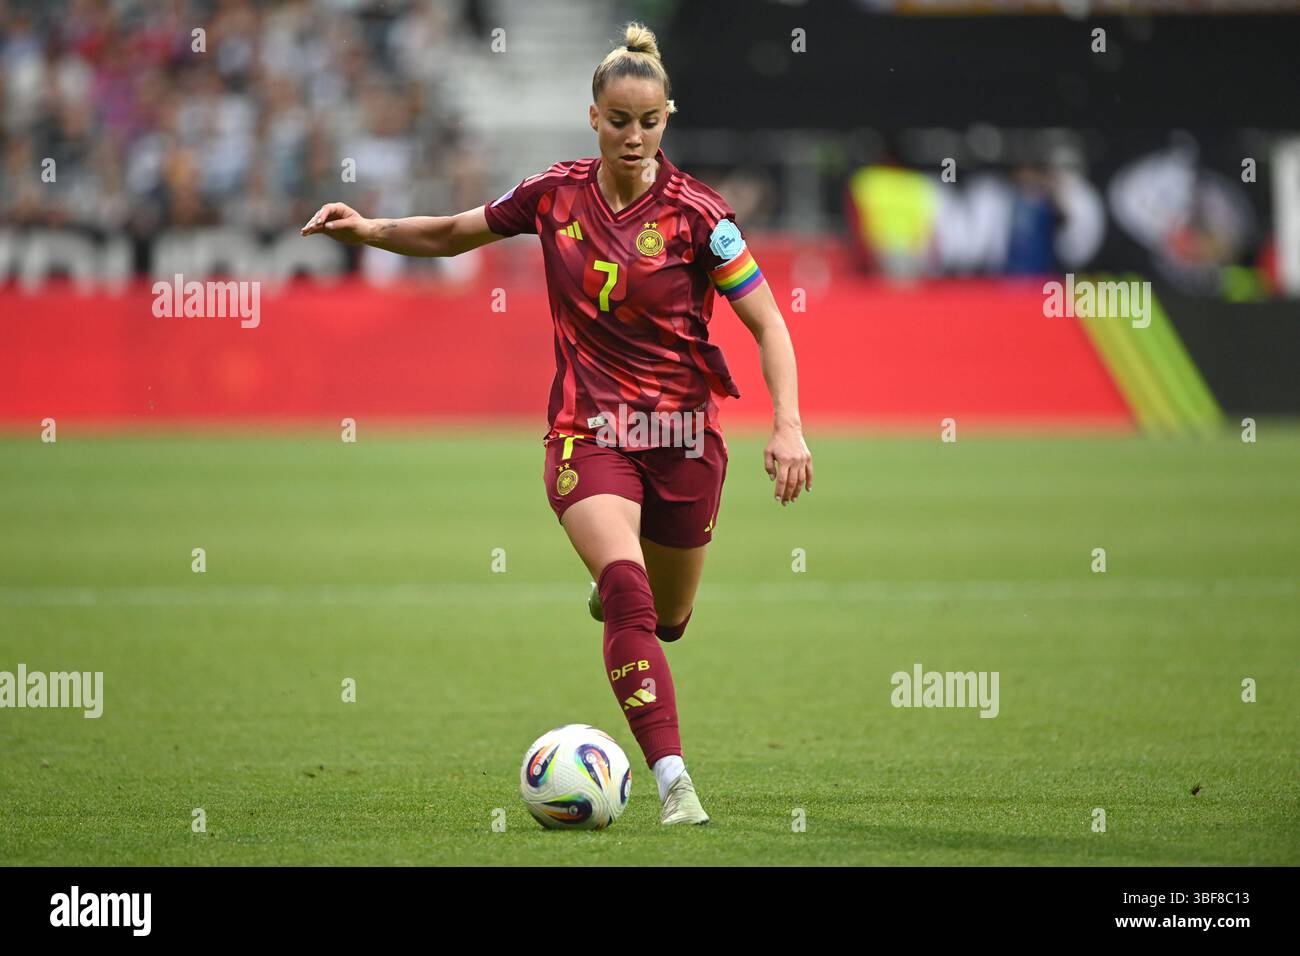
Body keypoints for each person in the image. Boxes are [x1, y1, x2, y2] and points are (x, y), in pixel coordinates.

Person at [302, 22, 812, 825]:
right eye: (619, 120)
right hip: (589, 432)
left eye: (649, 121)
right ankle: (674, 779)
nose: (634, 136)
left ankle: (630, 603)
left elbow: (770, 325)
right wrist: (370, 229)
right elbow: (455, 232)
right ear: (593, 116)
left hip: (682, 440)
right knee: (626, 592)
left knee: (669, 621)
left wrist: (788, 425)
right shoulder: (553, 195)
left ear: (668, 117)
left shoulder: (700, 217)